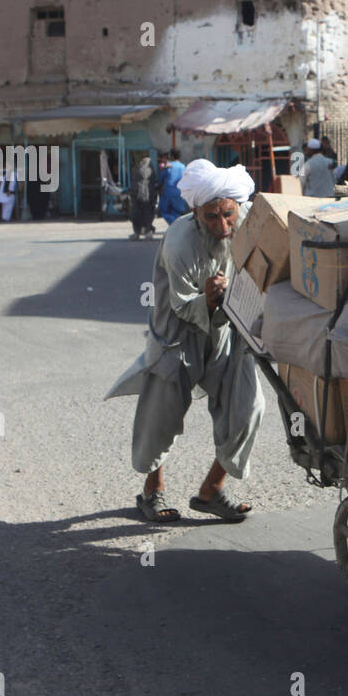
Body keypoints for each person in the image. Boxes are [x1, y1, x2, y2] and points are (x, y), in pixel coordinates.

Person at [105, 159, 265, 523]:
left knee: (248, 407)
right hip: (178, 333)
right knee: (161, 417)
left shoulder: (249, 225)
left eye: (228, 214)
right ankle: (152, 492)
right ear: (195, 212)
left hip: (226, 330)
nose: (222, 225)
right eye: (211, 217)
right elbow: (181, 303)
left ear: (238, 207)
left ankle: (211, 491)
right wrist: (207, 298)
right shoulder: (179, 241)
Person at [129, 155, 158, 240]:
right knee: (148, 215)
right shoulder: (152, 172)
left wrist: (132, 195)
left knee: (136, 215)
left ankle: (136, 233)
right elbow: (154, 186)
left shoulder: (138, 171)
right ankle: (148, 232)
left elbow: (134, 184)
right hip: (149, 199)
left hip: (138, 198)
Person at [156, 149, 188, 224]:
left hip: (168, 192)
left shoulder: (168, 165)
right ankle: (177, 224)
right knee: (178, 211)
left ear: (172, 156)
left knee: (164, 211)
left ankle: (174, 224)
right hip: (180, 193)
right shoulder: (183, 167)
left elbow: (161, 178)